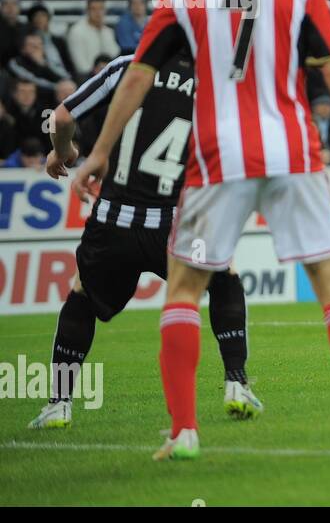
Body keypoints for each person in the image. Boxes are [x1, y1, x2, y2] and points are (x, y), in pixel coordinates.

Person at [72, 0, 330, 460]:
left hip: (217, 156)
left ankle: (184, 430)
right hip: (292, 151)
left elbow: (137, 76)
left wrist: (98, 151)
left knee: (185, 287)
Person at [33, 54, 261, 429]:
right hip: (176, 222)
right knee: (224, 276)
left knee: (83, 296)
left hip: (113, 219)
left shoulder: (126, 67)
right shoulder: (214, 78)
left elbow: (61, 116)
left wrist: (64, 151)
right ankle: (236, 383)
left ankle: (58, 403)